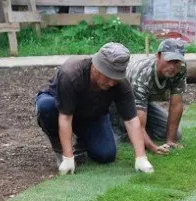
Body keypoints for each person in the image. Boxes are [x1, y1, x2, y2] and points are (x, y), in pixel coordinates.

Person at [35, 42, 154, 175]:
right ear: (96, 67)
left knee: (106, 154)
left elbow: (131, 120)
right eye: (108, 76)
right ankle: (60, 149)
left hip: (91, 113)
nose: (111, 83)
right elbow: (66, 116)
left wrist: (141, 157)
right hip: (60, 109)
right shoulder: (70, 74)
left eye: (116, 78)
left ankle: (82, 143)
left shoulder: (121, 85)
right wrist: (68, 158)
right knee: (46, 107)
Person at [113, 38, 187, 155]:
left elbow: (176, 104)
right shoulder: (143, 73)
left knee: (176, 135)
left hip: (143, 101)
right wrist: (153, 147)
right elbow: (139, 123)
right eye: (169, 60)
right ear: (157, 56)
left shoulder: (181, 69)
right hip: (117, 100)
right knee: (116, 138)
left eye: (176, 61)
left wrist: (170, 141)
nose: (173, 66)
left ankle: (130, 130)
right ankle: (120, 127)